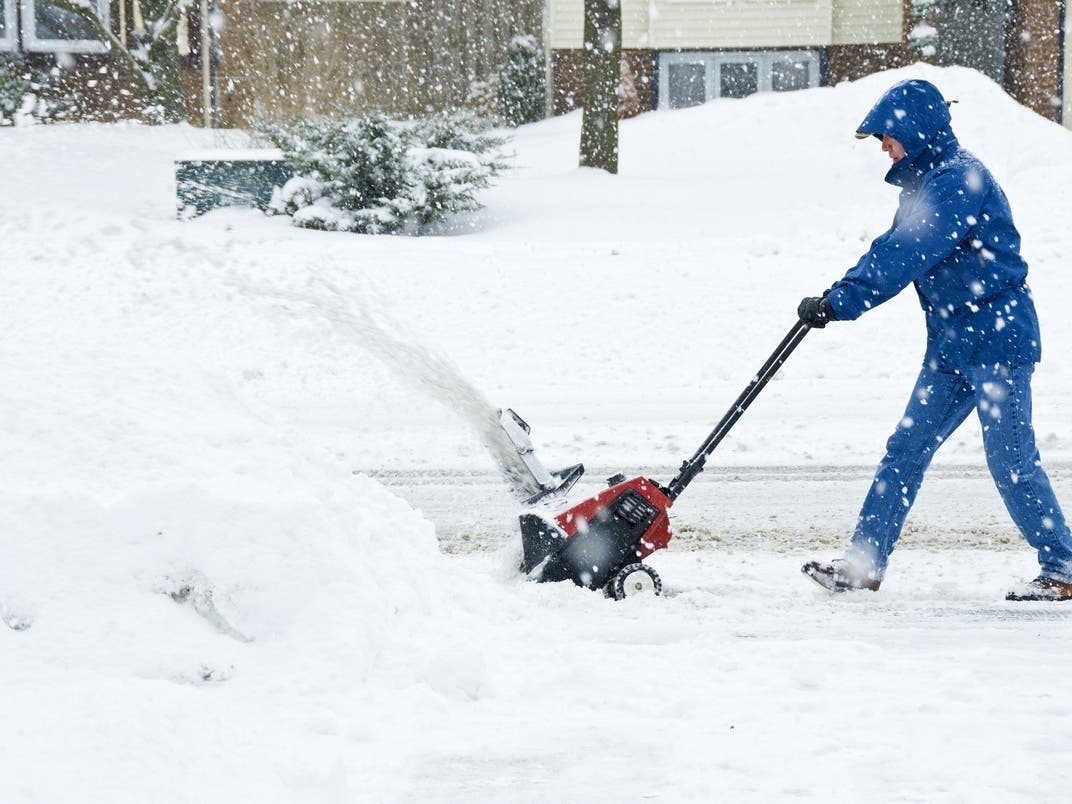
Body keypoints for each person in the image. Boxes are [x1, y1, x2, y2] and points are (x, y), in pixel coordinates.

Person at [797, 78, 1072, 601]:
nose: (883, 146)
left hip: (996, 343)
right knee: (905, 450)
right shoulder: (924, 185)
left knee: (1011, 459)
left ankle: (1065, 565)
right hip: (952, 345)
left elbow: (906, 252)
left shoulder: (957, 180)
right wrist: (838, 294)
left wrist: (843, 301)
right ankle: (862, 563)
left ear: (916, 130)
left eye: (887, 134)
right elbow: (891, 249)